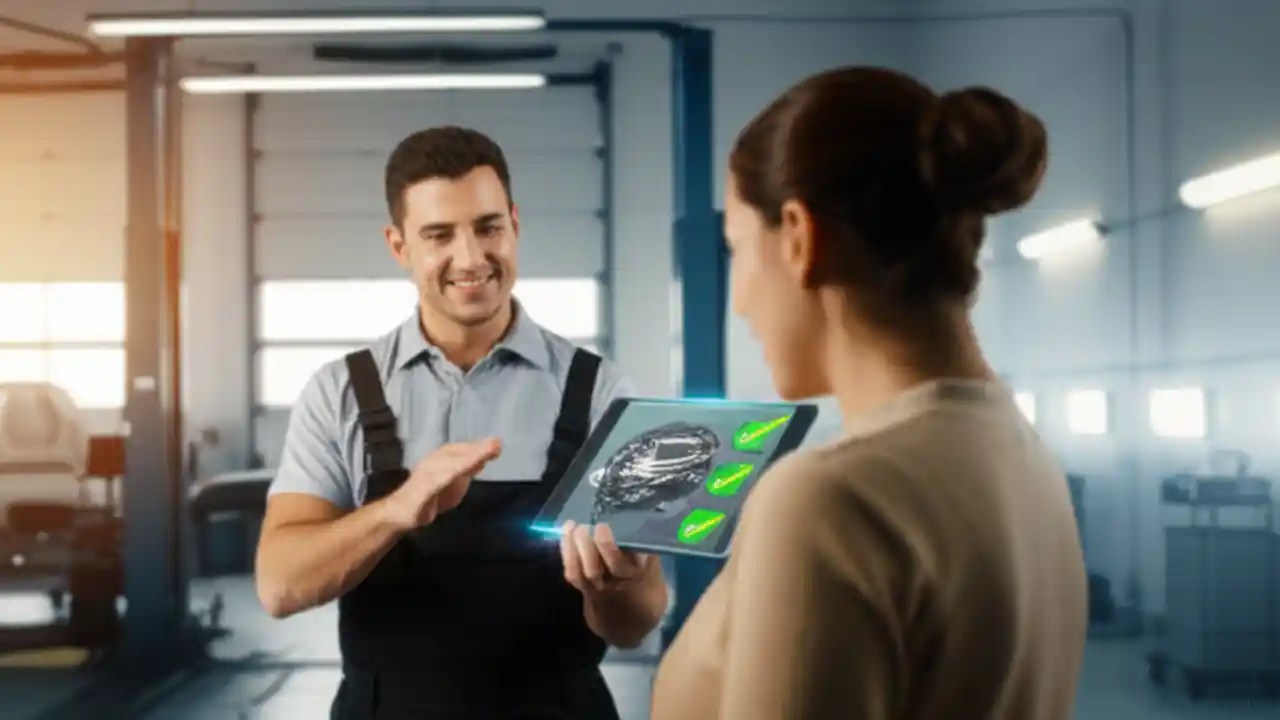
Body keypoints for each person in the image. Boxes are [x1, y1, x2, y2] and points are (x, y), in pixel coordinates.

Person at [650, 67, 1088, 719]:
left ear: (799, 238)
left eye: (735, 249)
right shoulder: (1020, 454)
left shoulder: (826, 499)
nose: (738, 299)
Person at [254, 126, 669, 719]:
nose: (471, 257)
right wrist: (399, 509)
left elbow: (636, 623)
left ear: (515, 224)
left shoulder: (599, 391)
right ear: (399, 246)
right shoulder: (339, 393)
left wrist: (615, 586)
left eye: (488, 227)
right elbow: (280, 585)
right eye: (439, 235)